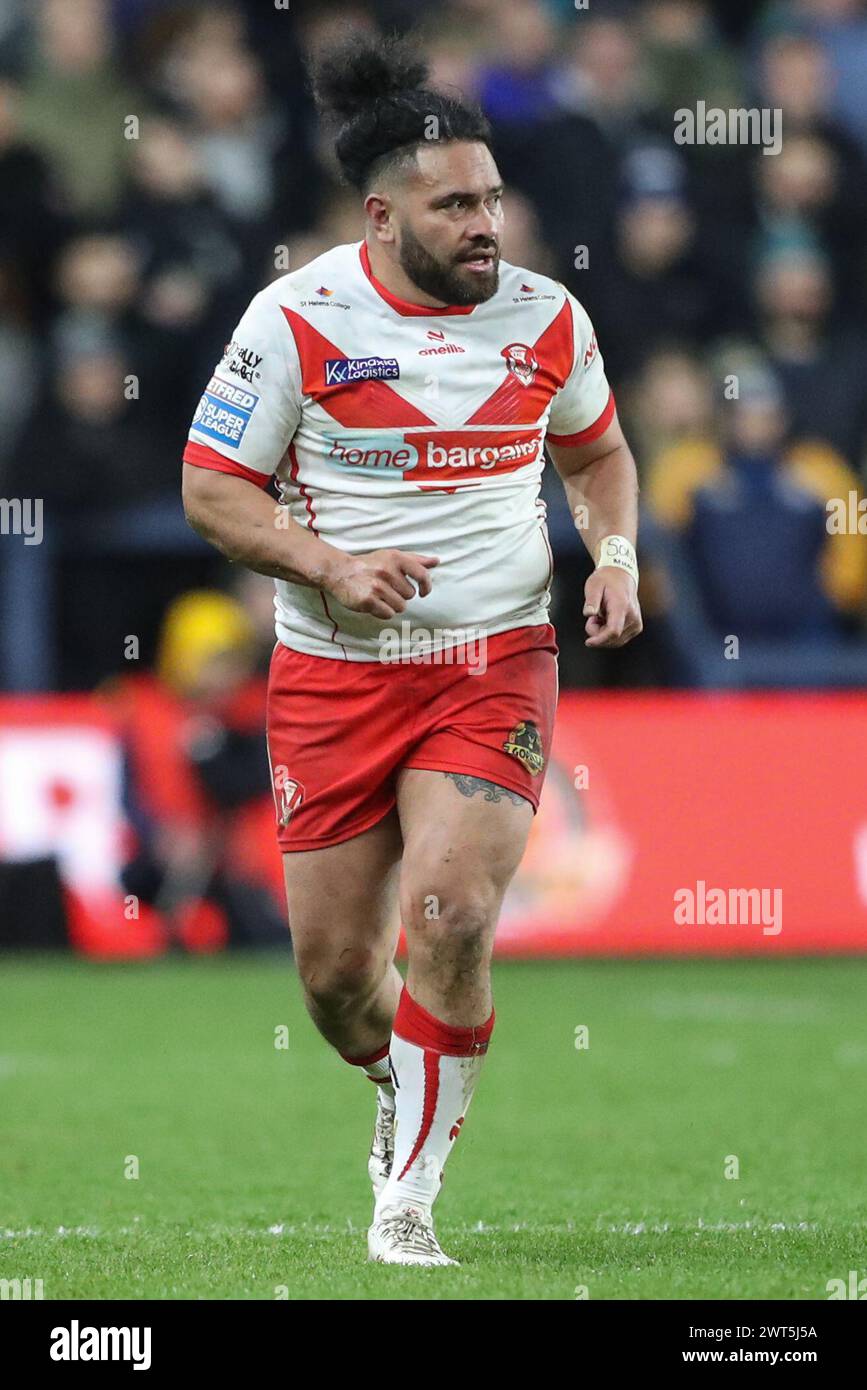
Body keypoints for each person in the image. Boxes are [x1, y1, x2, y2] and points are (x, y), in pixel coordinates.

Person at [181, 31, 642, 1267]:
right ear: (383, 218)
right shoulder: (294, 320)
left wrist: (613, 555)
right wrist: (331, 567)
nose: (486, 224)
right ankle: (400, 1078)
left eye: (491, 199)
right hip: (332, 670)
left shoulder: (549, 316)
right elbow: (211, 487)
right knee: (336, 981)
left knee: (448, 913)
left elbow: (597, 454)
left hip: (492, 659)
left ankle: (410, 1199)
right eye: (456, 207)